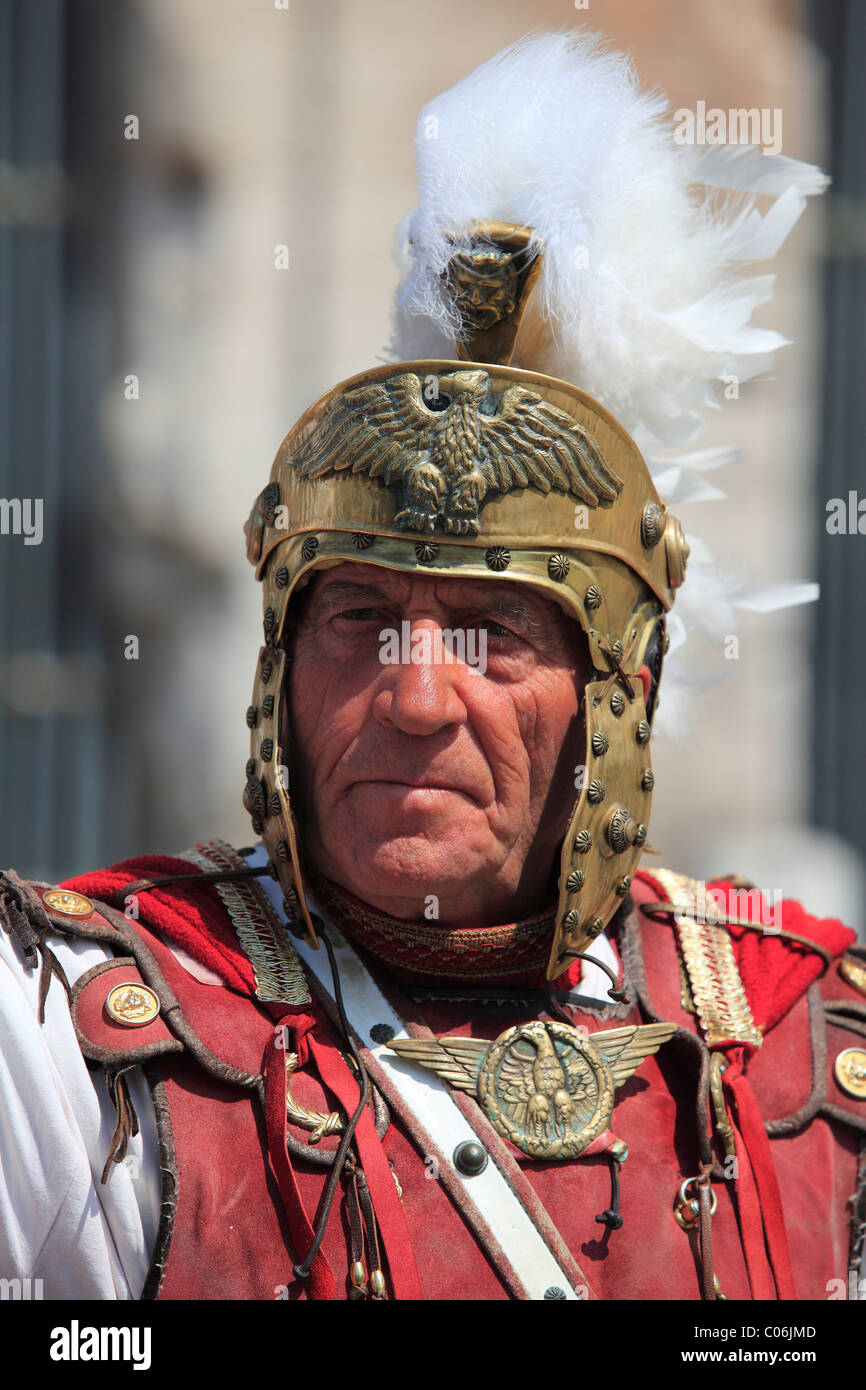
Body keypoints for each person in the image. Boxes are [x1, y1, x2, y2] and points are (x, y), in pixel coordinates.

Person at [1, 30, 864, 1304]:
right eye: (355, 618)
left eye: (489, 633)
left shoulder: (808, 1045)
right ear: (279, 671)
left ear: (612, 697)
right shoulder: (66, 1037)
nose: (413, 696)